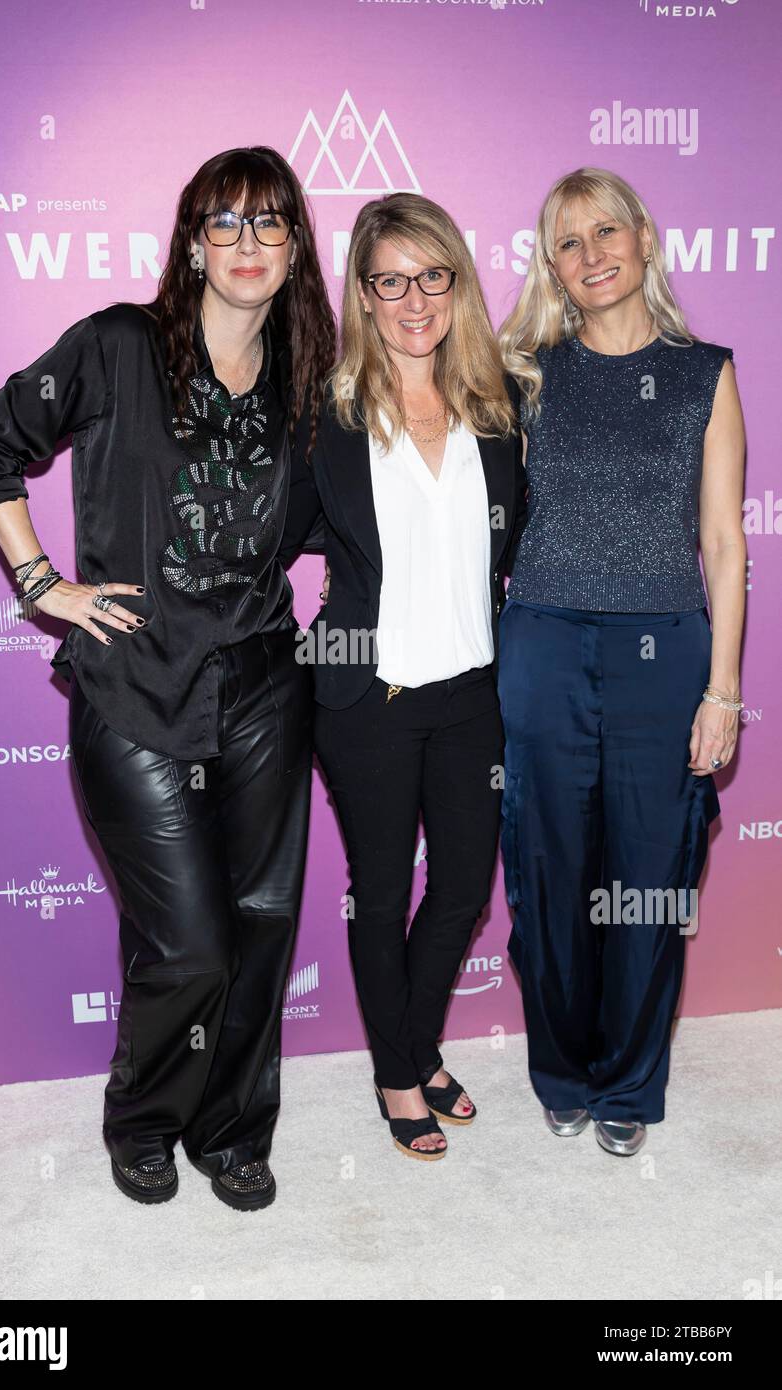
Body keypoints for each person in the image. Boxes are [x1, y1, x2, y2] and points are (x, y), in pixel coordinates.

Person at [0, 146, 336, 1208]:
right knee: (190, 942)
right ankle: (147, 1119)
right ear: (193, 243)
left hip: (264, 683)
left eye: (268, 222)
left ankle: (233, 1129)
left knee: (261, 923)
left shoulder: (307, 380)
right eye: (224, 222)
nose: (247, 243)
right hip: (135, 682)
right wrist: (40, 583)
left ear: (294, 246)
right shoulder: (120, 344)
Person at [497, 167, 746, 1156]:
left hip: (665, 649)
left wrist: (722, 690)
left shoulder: (705, 372)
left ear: (642, 237)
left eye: (606, 230)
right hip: (543, 639)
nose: (591, 254)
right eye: (568, 241)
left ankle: (630, 1086)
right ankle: (561, 1070)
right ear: (551, 267)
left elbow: (722, 542)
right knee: (548, 869)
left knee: (650, 874)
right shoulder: (525, 374)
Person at [280, 193, 526, 1160]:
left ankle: (416, 1047)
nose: (414, 300)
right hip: (366, 699)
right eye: (390, 281)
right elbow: (276, 535)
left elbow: (521, 540)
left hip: (473, 696)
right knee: (381, 894)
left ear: (457, 282)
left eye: (432, 276)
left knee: (462, 889)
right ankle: (399, 1074)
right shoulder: (325, 415)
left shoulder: (499, 410)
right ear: (363, 294)